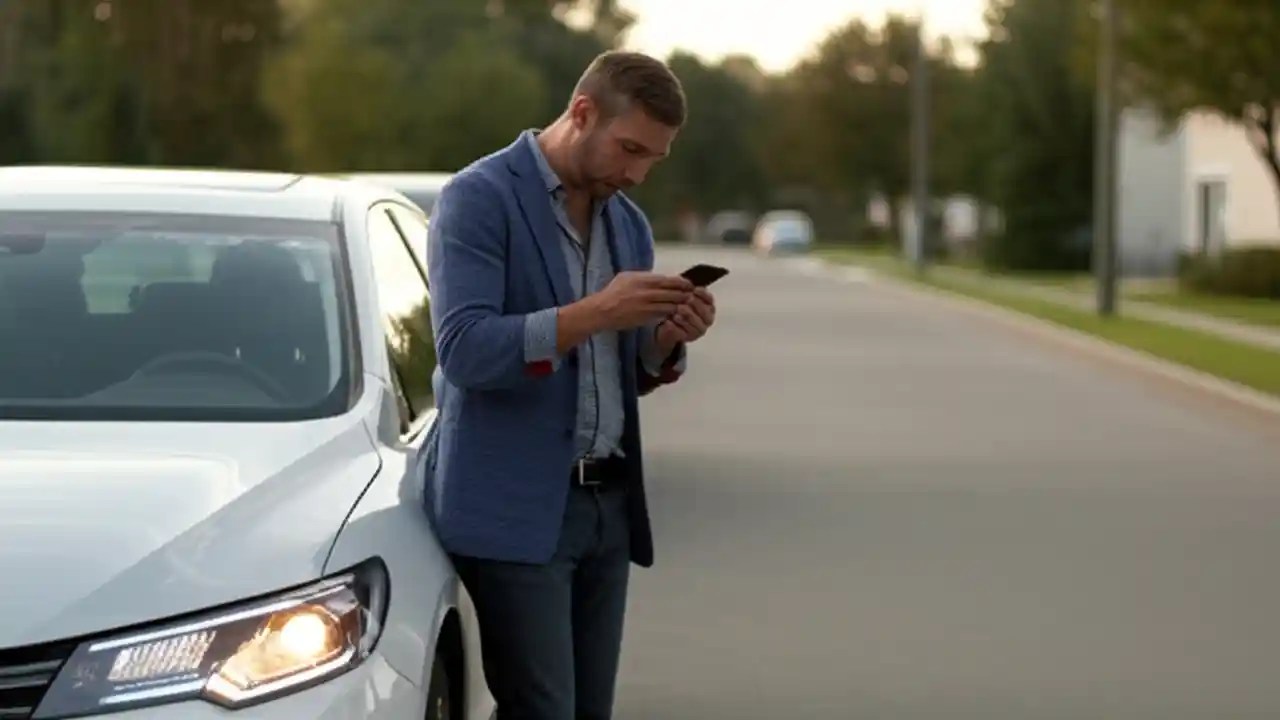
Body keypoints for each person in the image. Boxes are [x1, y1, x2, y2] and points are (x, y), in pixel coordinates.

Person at [423, 50, 717, 719]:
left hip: (606, 508)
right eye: (630, 149)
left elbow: (618, 371)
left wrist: (667, 341)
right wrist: (596, 313)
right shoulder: (478, 198)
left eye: (653, 160)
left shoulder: (627, 223)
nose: (638, 174)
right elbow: (465, 351)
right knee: (542, 710)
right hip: (516, 506)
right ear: (582, 113)